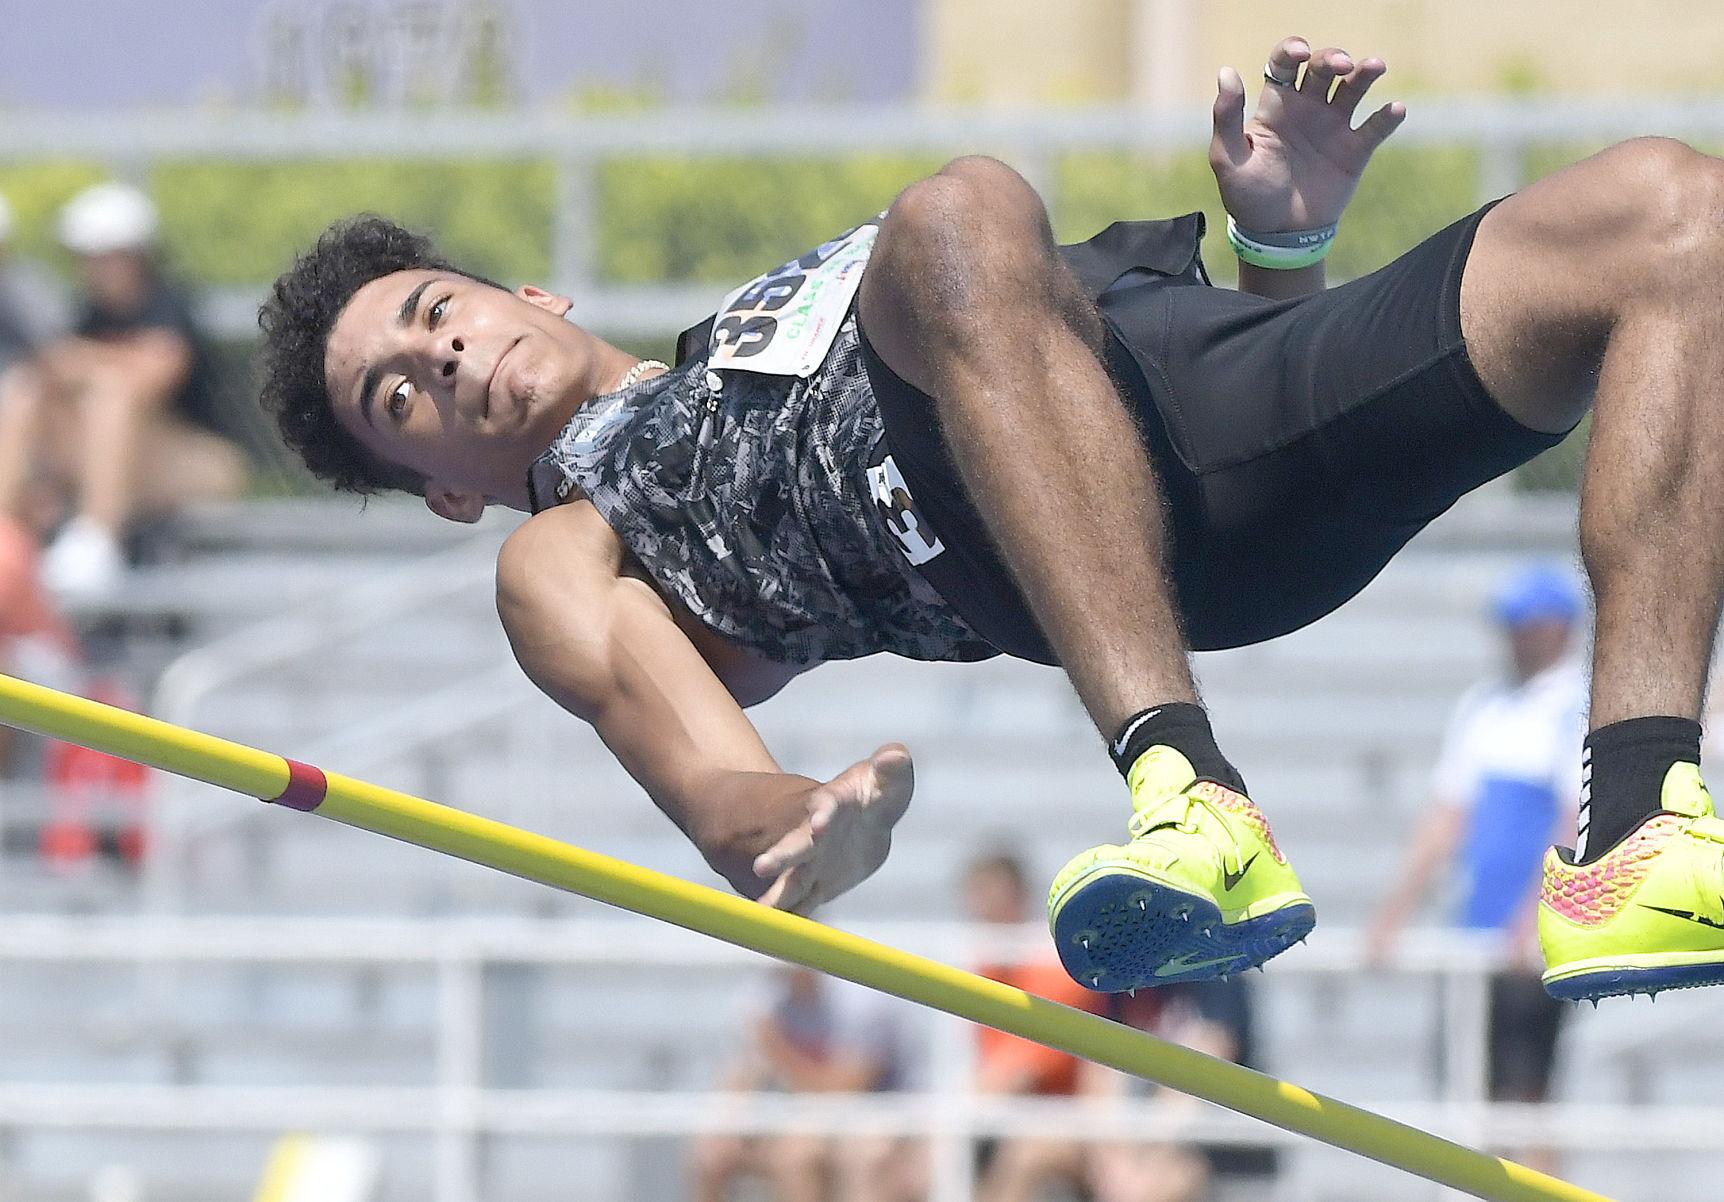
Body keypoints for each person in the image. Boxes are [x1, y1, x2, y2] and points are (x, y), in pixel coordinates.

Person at [259, 29, 1724, 1004]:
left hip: (1213, 396)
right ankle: (1184, 795)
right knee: (955, 210)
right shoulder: (568, 540)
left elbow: (1271, 424)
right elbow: (718, 788)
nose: (439, 358)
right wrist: (803, 823)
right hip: (1081, 553)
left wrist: (1284, 245)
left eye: (435, 315)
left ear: (535, 296)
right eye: (399, 398)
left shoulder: (748, 326)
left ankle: (1646, 819)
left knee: (1670, 209)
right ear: (445, 485)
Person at [1366, 564, 1585, 1169]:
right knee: (1469, 1091)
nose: (1512, 638)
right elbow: (1447, 816)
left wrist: (1533, 916)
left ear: (1557, 627)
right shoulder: (1486, 704)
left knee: (1527, 1095)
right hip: (1474, 934)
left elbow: (1572, 821)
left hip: (1526, 944)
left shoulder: (1575, 706)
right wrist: (1396, 911)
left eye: (1525, 625)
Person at [0, 182, 250, 598]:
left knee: (111, 395)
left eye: (107, 258)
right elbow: (53, 373)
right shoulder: (87, 315)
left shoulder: (169, 305)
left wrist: (85, 363)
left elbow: (155, 374)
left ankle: (98, 537)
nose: (96, 269)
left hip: (201, 465)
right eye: (87, 258)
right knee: (26, 392)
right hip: (120, 468)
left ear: (138, 256)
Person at [691, 964, 924, 1202]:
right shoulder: (765, 999)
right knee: (713, 1152)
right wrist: (727, 1121)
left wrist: (775, 1047)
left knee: (799, 1156)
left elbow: (844, 1089)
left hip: (873, 1113)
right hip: (799, 1114)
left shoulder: (863, 1001)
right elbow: (742, 1075)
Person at [961, 851, 1103, 1202]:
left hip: (1067, 1118)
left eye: (992, 897)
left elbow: (1025, 1071)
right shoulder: (977, 963)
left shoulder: (1054, 964)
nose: (984, 910)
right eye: (978, 898)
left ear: (1018, 896)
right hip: (996, 1120)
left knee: (1023, 1160)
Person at [1084, 979, 1269, 1202]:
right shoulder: (1120, 972)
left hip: (1212, 1138)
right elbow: (1099, 1068)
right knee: (1041, 1151)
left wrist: (1149, 1158)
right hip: (1139, 1137)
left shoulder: (1221, 967)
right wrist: (1113, 1157)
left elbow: (1206, 1064)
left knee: (1170, 1182)